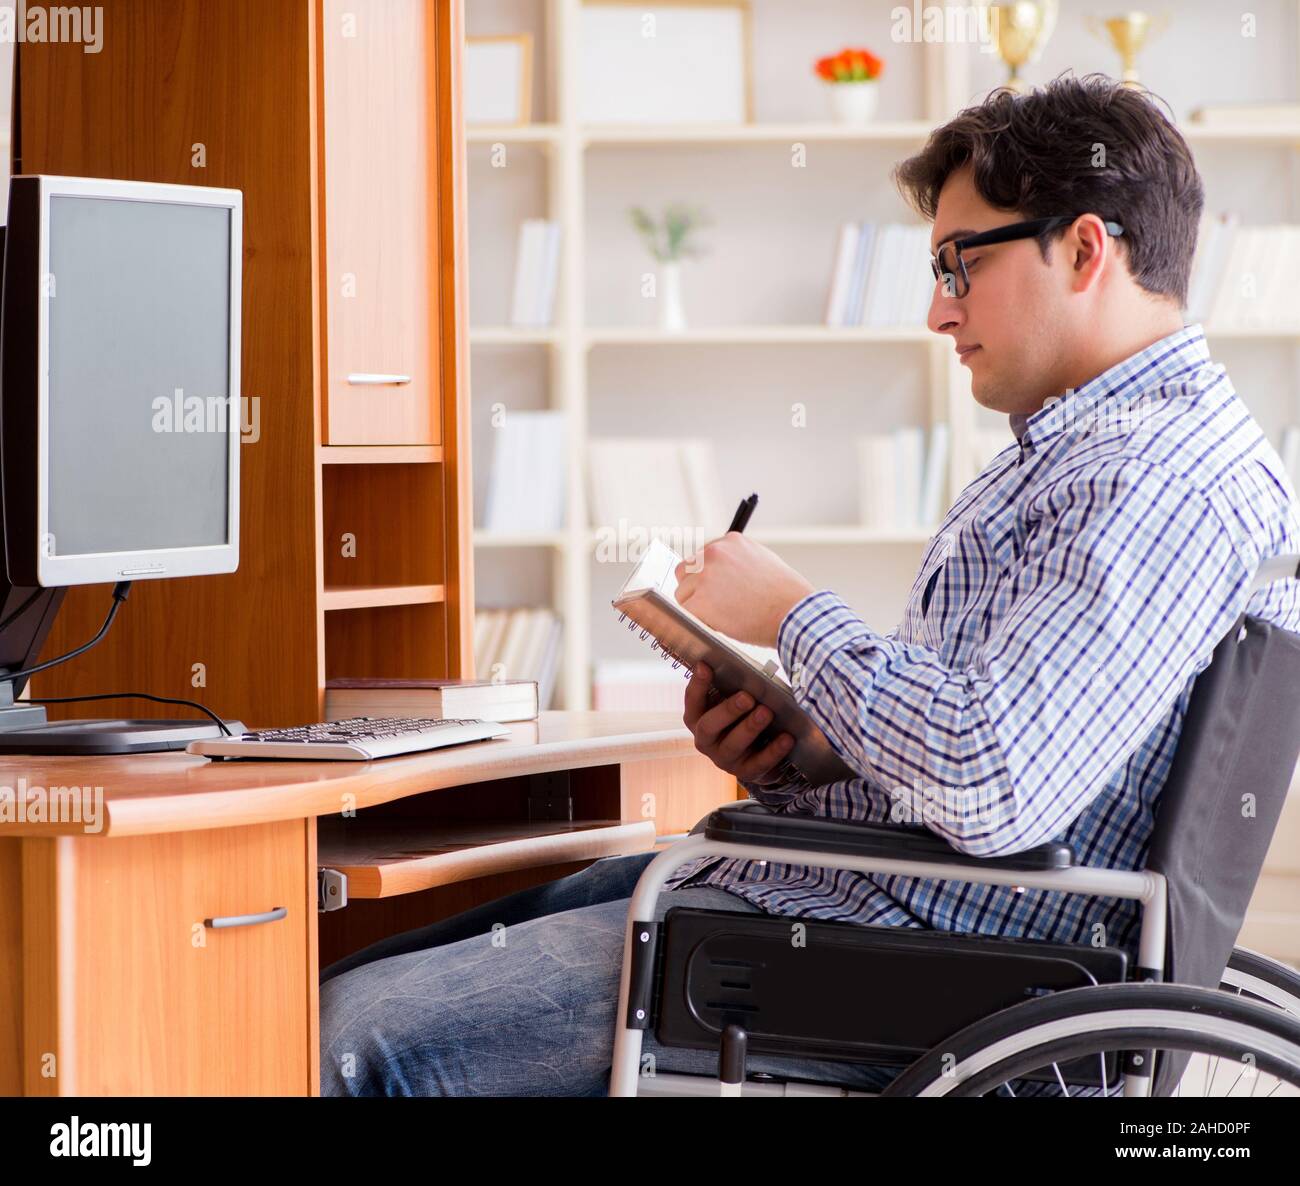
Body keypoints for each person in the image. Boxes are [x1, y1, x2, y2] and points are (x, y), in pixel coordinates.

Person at [320, 72, 1300, 1097]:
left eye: (962, 264)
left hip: (907, 964)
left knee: (347, 1039)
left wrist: (791, 613)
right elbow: (1007, 761)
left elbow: (993, 780)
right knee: (353, 971)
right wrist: (808, 757)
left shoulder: (1156, 480)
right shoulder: (1106, 456)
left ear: (1086, 250)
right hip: (861, 915)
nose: (938, 309)